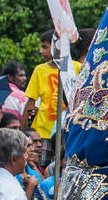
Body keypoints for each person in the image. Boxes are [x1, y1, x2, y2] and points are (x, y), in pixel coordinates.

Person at [21, 33, 81, 164]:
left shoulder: (76, 68)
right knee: (43, 165)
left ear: (57, 47)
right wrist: (21, 131)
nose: (41, 51)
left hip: (68, 129)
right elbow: (30, 103)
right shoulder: (40, 70)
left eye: (44, 47)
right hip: (43, 132)